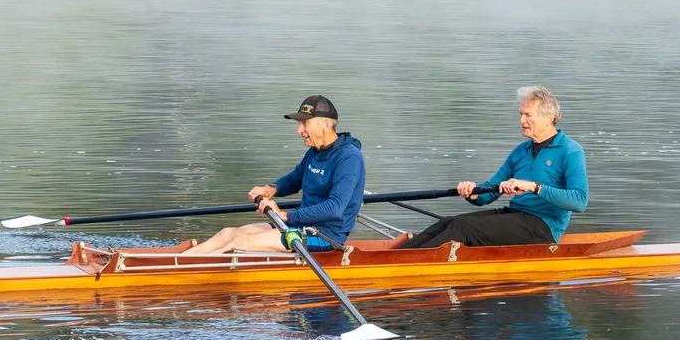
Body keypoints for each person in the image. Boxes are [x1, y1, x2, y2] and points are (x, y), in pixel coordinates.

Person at [401, 86, 586, 249]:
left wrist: (533, 187)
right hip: (514, 216)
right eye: (521, 114)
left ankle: (403, 264)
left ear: (549, 118)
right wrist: (473, 193)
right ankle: (393, 257)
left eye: (528, 115)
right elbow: (490, 191)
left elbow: (579, 201)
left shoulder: (570, 150)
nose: (522, 120)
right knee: (450, 222)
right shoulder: (521, 151)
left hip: (544, 227)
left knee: (462, 228)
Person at [181, 95, 365, 256]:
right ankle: (174, 261)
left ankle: (189, 272)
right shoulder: (316, 150)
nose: (299, 130)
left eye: (305, 123)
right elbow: (296, 178)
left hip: (324, 236)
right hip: (300, 225)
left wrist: (284, 216)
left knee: (239, 244)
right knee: (228, 233)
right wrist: (271, 189)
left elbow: (335, 208)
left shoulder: (349, 157)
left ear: (325, 125)